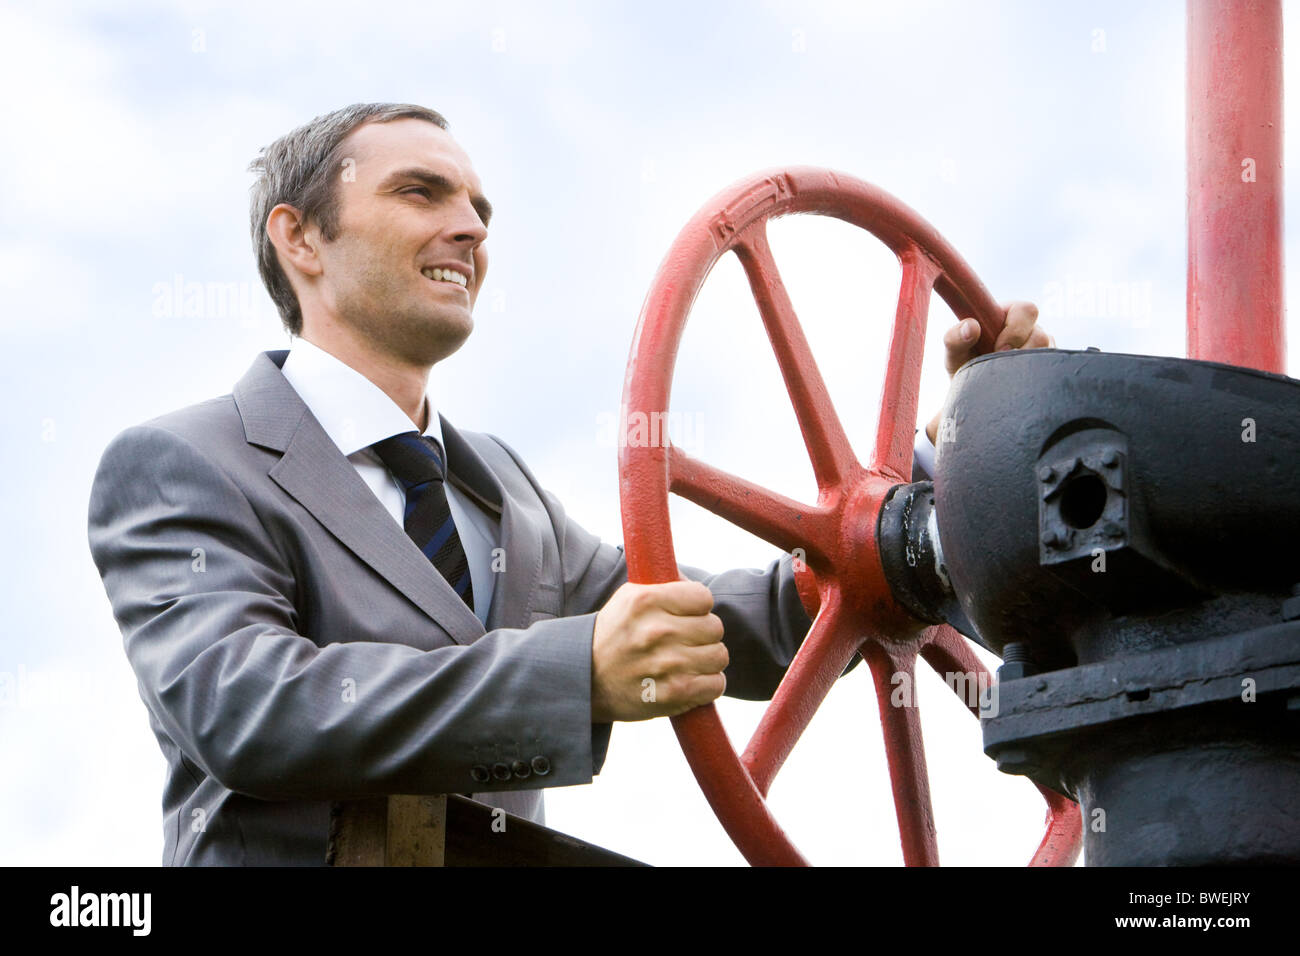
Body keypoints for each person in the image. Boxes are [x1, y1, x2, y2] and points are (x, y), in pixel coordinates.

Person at [86, 103, 1051, 866]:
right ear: (300, 238)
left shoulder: (504, 491)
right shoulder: (187, 463)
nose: (469, 229)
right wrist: (576, 671)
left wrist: (938, 497)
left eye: (480, 211)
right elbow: (246, 707)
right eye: (421, 193)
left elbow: (705, 625)